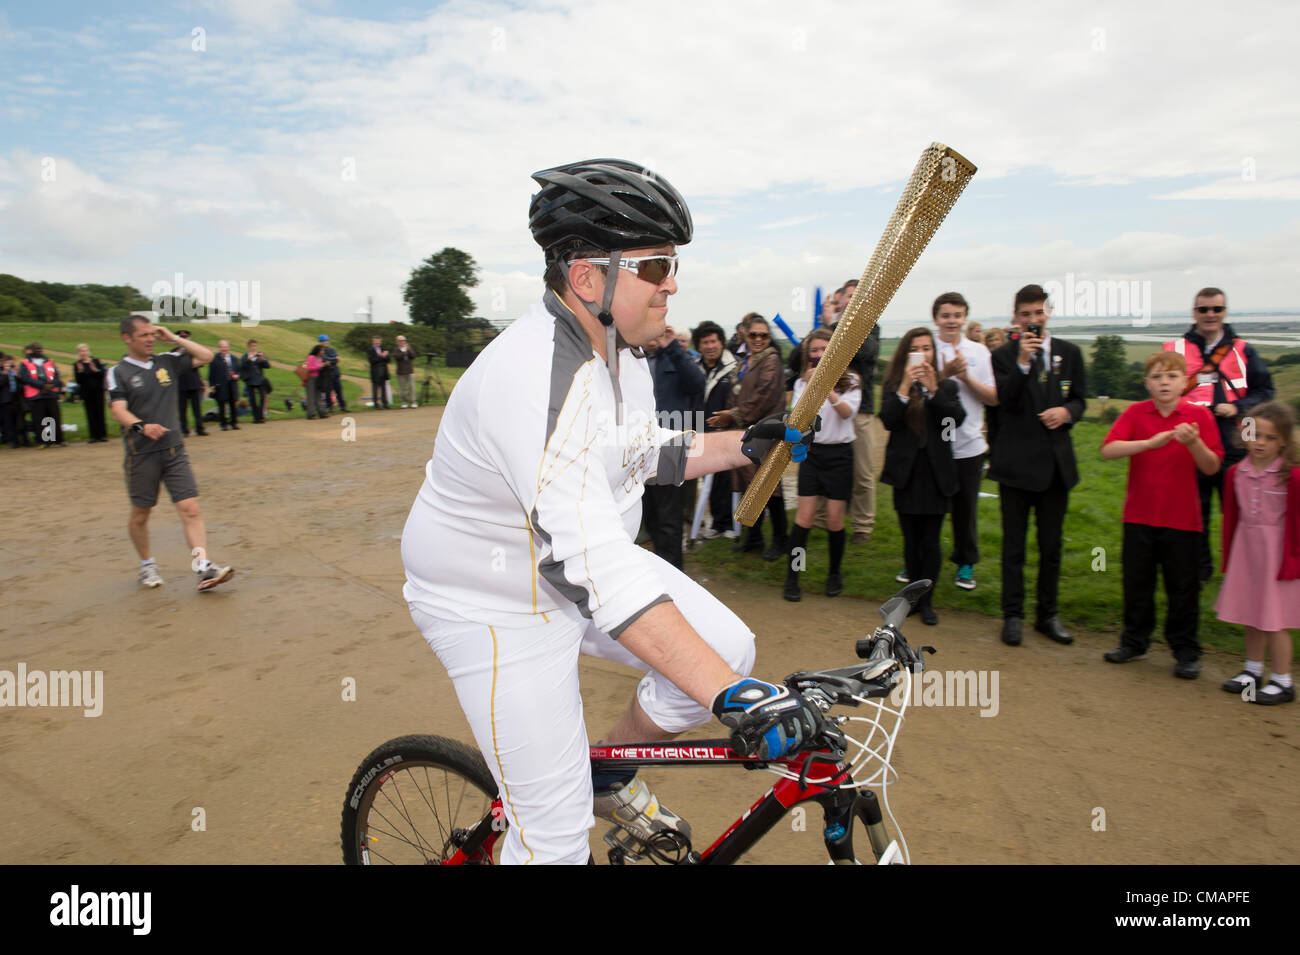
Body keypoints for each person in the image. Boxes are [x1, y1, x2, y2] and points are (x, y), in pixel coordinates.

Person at [400, 158, 822, 865]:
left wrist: (736, 444)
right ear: (589, 277)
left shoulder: (621, 355)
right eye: (657, 265)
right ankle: (562, 808)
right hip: (497, 604)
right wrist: (731, 698)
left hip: (576, 568)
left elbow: (637, 452)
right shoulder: (533, 376)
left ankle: (604, 768)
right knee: (557, 840)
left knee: (730, 649)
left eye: (673, 264)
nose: (673, 283)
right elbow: (591, 565)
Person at [1099, 351, 1224, 679]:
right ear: (1147, 383)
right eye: (1156, 376)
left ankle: (1185, 651)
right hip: (1139, 516)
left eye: (1171, 376)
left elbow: (1212, 467)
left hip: (1183, 520)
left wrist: (1194, 443)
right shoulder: (1136, 412)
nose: (1164, 382)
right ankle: (1134, 642)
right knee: (1136, 583)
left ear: (1185, 382)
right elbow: (1107, 449)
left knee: (1183, 588)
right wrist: (1147, 444)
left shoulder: (1199, 416)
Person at [988, 284, 1087, 647]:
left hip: (1055, 468)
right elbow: (1005, 402)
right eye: (1026, 314)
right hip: (1015, 466)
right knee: (1013, 547)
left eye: (1039, 313)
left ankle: (1048, 615)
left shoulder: (1069, 353)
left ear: (1048, 313)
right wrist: (1024, 364)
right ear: (1016, 317)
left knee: (1051, 546)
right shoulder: (1003, 356)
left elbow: (1080, 400)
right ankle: (1012, 615)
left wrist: (1067, 412)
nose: (1033, 320)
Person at [106, 317, 233, 592]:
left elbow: (206, 356)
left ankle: (202, 567)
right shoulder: (118, 372)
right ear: (127, 338)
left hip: (174, 449)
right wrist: (141, 426)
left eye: (152, 334)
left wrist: (174, 338)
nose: (150, 339)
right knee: (141, 513)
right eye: (143, 335)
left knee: (190, 508)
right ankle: (146, 565)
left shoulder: (167, 361)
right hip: (141, 454)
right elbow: (118, 409)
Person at [1162, 288, 1275, 581]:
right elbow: (1159, 389)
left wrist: (1236, 407)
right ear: (1193, 312)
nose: (1210, 315)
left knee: (1237, 512)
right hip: (1190, 443)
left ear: (1225, 311)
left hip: (1234, 443)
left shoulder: (1243, 350)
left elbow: (1265, 392)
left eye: (1216, 309)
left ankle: (1243, 571)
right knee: (1194, 512)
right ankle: (1199, 572)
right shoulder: (1174, 349)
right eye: (1203, 310)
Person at [879, 328, 965, 625]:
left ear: (934, 353)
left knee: (930, 542)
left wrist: (933, 391)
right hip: (907, 475)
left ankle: (927, 601)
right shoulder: (893, 385)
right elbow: (888, 419)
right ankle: (911, 598)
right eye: (915, 348)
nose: (922, 353)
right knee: (911, 541)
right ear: (905, 354)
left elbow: (955, 420)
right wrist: (905, 385)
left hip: (936, 475)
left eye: (927, 348)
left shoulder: (946, 387)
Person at [1217, 402, 1300, 704]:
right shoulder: (1236, 473)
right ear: (1244, 434)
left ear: (1284, 443)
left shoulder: (1292, 477)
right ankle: (1252, 670)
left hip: (1278, 557)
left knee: (1274, 620)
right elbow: (1233, 518)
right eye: (1255, 435)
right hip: (1247, 552)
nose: (1261, 443)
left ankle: (1282, 680)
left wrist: (1294, 560)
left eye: (1270, 438)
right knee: (1251, 614)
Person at [783, 328, 861, 601]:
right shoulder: (802, 382)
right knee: (803, 519)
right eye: (814, 350)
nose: (818, 355)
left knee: (834, 520)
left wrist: (826, 387)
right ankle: (793, 577)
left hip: (840, 456)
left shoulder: (852, 380)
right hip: (812, 453)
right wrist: (809, 388)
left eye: (824, 349)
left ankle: (834, 574)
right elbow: (796, 421)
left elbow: (847, 413)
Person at [708, 315, 789, 559]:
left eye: (763, 335)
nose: (758, 339)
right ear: (746, 335)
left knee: (770, 488)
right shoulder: (746, 360)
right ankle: (753, 538)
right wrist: (732, 422)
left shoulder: (771, 361)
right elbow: (737, 393)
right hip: (747, 432)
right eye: (753, 334)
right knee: (748, 486)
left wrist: (733, 416)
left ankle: (781, 540)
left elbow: (763, 396)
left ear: (769, 337)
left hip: (767, 432)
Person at [932, 293, 997, 591]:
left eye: (957, 315)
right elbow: (919, 391)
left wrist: (966, 376)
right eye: (946, 315)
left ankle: (965, 563)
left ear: (964, 318)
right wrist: (944, 374)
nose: (951, 321)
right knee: (928, 507)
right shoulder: (928, 347)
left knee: (965, 508)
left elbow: (993, 397)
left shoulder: (980, 352)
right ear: (936, 319)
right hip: (934, 444)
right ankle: (919, 560)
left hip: (969, 442)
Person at [641, 323, 705, 569]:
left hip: (669, 447)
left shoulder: (677, 360)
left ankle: (674, 573)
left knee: (669, 517)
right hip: (639, 449)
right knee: (650, 516)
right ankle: (659, 566)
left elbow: (697, 384)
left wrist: (673, 348)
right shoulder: (633, 361)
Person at [694, 320, 738, 539]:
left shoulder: (735, 368)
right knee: (709, 476)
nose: (710, 346)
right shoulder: (696, 368)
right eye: (705, 342)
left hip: (729, 430)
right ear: (699, 346)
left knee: (729, 477)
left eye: (713, 341)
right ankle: (717, 523)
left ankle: (730, 523)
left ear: (721, 342)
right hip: (703, 430)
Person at [18, 342, 64, 447]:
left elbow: (56, 376)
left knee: (53, 417)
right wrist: (42, 386)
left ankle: (55, 440)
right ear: (32, 350)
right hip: (36, 395)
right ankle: (44, 441)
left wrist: (51, 386)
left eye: (40, 348)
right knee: (40, 419)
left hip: (51, 393)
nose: (39, 350)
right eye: (36, 348)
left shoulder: (49, 361)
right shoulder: (25, 363)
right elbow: (25, 378)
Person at [173, 330, 208, 437]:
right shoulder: (174, 352)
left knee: (197, 408)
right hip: (181, 385)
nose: (184, 339)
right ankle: (184, 430)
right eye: (181, 338)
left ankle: (199, 428)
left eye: (186, 338)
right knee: (182, 410)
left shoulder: (194, 352)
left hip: (194, 383)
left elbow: (202, 361)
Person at [73, 344, 110, 443]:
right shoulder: (77, 364)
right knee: (90, 414)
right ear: (78, 353)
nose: (83, 353)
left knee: (100, 412)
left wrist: (95, 370)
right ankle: (93, 436)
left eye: (85, 351)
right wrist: (80, 372)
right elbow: (78, 381)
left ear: (89, 352)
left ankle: (102, 435)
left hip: (98, 391)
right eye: (81, 351)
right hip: (86, 392)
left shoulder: (96, 361)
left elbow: (102, 375)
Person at [208, 340, 242, 430]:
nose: (224, 349)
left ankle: (234, 423)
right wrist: (212, 385)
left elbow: (239, 371)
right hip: (221, 385)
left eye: (226, 347)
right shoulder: (214, 359)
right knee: (221, 405)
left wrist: (237, 376)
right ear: (219, 348)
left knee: (233, 405)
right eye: (222, 347)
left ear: (228, 348)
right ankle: (223, 424)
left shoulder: (234, 358)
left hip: (232, 384)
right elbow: (211, 374)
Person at [239, 340, 271, 423]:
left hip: (260, 380)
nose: (254, 347)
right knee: (252, 400)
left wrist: (263, 358)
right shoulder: (245, 356)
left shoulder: (260, 355)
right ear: (249, 347)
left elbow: (268, 366)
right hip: (250, 380)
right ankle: (255, 418)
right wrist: (249, 359)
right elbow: (242, 367)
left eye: (255, 346)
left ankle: (261, 416)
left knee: (262, 398)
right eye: (252, 346)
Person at [0, 354, 25, 448]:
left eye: (11, 364)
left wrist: (17, 374)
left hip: (16, 399)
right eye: (8, 364)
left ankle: (22, 439)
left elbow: (21, 384)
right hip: (6, 401)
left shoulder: (15, 373)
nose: (10, 366)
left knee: (19, 420)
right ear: (4, 364)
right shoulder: (2, 373)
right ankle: (13, 441)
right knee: (9, 422)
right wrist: (6, 372)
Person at [319, 335, 348, 412]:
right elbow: (325, 359)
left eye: (326, 341)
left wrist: (331, 360)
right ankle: (329, 407)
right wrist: (333, 359)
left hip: (335, 372)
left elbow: (335, 359)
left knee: (339, 390)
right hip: (326, 373)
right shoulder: (319, 351)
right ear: (320, 342)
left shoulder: (332, 349)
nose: (325, 342)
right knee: (328, 391)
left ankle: (343, 406)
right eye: (323, 341)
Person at [304, 345, 329, 418]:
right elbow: (310, 368)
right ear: (318, 351)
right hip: (310, 378)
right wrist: (321, 366)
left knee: (318, 396)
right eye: (322, 350)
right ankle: (311, 414)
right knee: (311, 396)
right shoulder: (311, 357)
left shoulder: (320, 358)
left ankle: (322, 413)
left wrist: (325, 365)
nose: (323, 352)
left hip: (318, 378)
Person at [393, 335, 417, 408]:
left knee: (412, 387)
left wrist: (408, 349)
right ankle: (404, 402)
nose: (402, 342)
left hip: (410, 371)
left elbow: (413, 356)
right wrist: (404, 351)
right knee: (403, 389)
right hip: (401, 372)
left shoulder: (409, 348)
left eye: (403, 340)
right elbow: (397, 357)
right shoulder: (396, 350)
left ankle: (413, 402)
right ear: (397, 342)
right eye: (400, 341)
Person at [367, 336, 391, 409]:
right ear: (373, 342)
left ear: (380, 341)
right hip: (375, 372)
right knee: (375, 389)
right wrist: (381, 356)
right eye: (376, 341)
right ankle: (376, 404)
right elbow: (372, 361)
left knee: (384, 389)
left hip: (384, 372)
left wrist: (385, 356)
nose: (377, 343)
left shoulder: (384, 349)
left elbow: (388, 360)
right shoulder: (370, 350)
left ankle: (385, 404)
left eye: (379, 341)